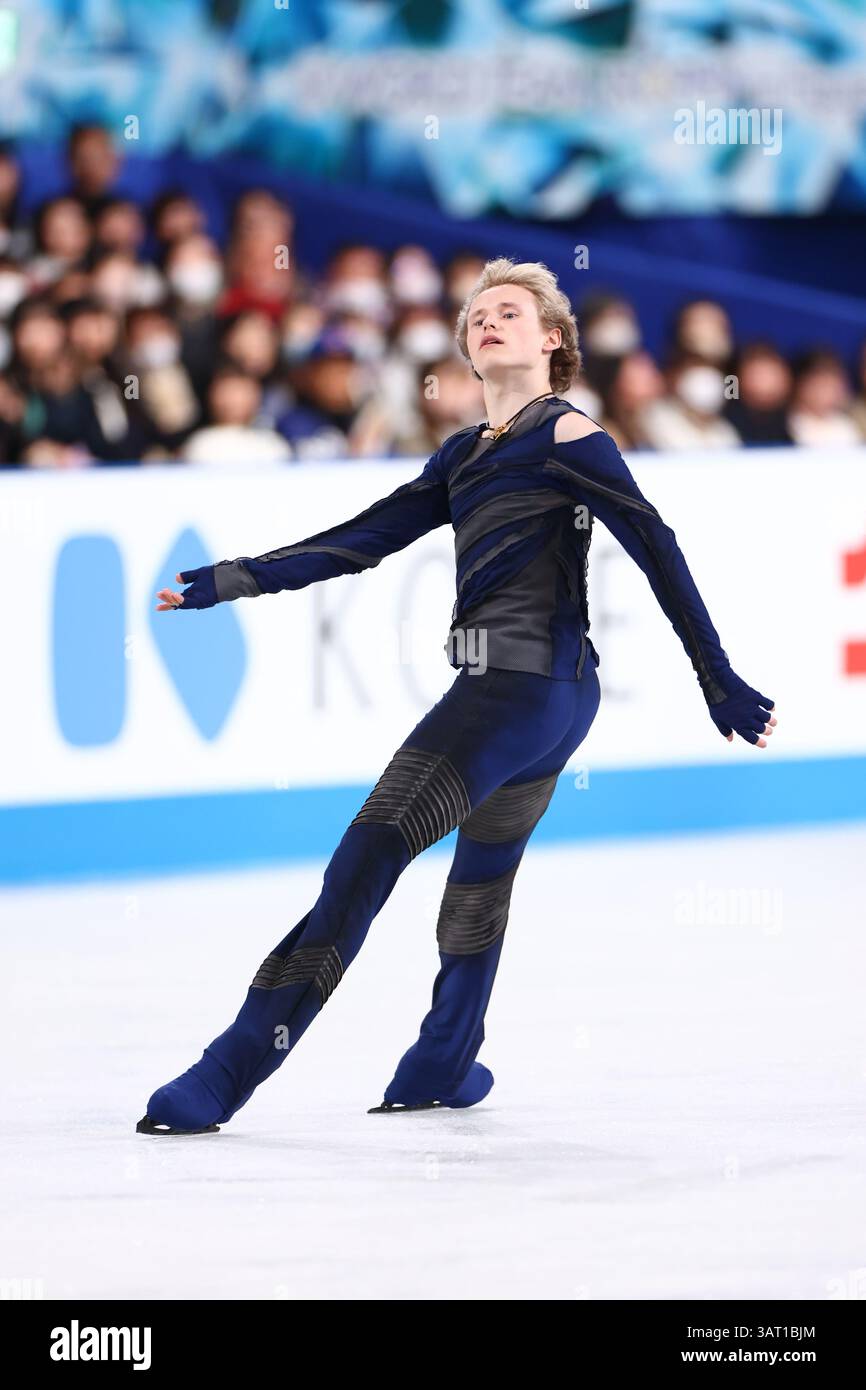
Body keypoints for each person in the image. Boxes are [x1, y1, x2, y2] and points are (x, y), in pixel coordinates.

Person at [138, 257, 777, 1135]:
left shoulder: (570, 437)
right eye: (476, 315)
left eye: (509, 311)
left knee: (362, 863)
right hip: (545, 702)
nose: (487, 321)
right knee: (479, 880)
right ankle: (443, 1059)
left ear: (552, 340)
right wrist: (233, 579)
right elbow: (362, 541)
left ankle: (227, 1071)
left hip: (517, 695)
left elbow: (655, 546)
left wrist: (718, 677)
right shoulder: (462, 455)